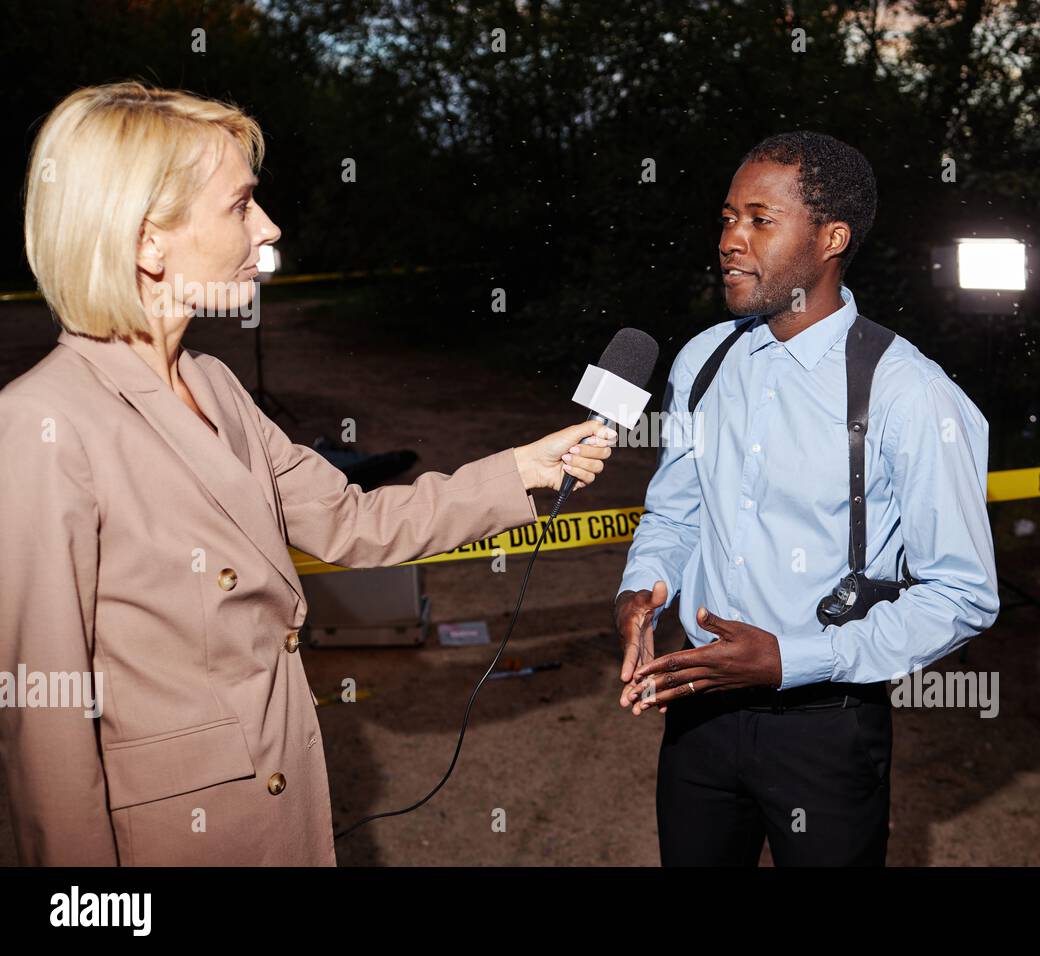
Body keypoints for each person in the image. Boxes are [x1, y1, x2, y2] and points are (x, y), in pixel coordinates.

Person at [0, 81, 616, 866]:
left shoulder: (214, 383)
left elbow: (352, 522)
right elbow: (43, 733)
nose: (268, 226)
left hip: (278, 800)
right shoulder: (43, 425)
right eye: (239, 205)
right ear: (147, 242)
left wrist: (523, 470)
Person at [614, 131, 999, 866]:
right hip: (698, 710)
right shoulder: (703, 360)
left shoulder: (910, 393)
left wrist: (793, 660)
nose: (731, 240)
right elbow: (675, 512)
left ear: (832, 238)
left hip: (826, 730)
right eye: (728, 217)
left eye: (760, 220)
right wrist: (642, 590)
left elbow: (962, 593)